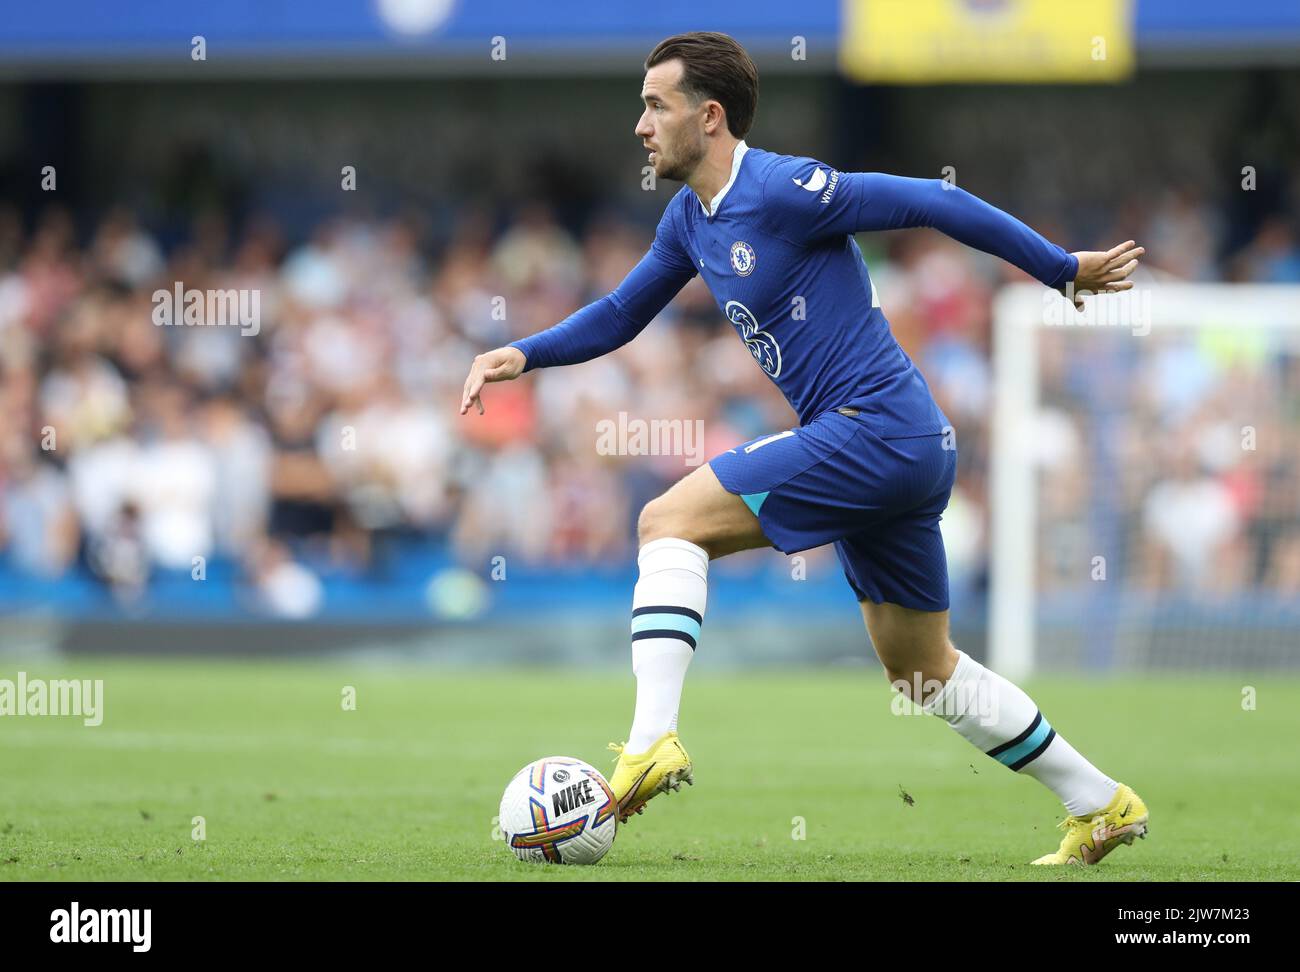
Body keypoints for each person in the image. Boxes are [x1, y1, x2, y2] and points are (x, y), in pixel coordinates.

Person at [460, 31, 1147, 866]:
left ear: (708, 118)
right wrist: (522, 354)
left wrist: (1059, 267)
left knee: (666, 521)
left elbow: (933, 199)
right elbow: (620, 312)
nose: (639, 125)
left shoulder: (784, 188)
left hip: (878, 429)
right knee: (922, 672)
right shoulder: (689, 219)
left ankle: (651, 742)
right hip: (895, 446)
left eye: (655, 105)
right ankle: (1103, 803)